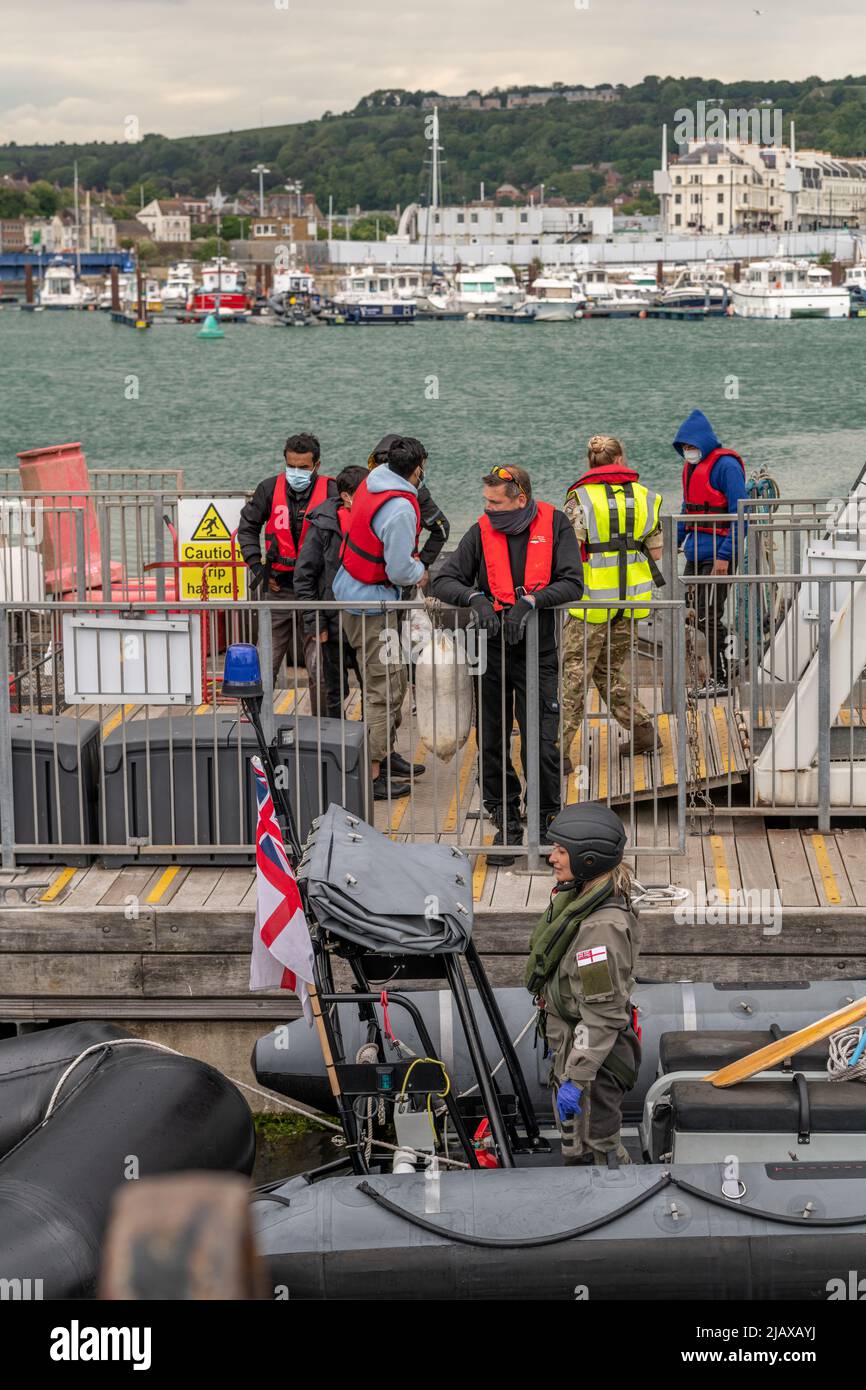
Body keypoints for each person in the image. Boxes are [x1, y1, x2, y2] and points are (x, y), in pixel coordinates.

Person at [431, 465, 583, 863]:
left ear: (520, 498)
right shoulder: (481, 531)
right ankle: (507, 825)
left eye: (495, 502)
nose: (489, 509)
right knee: (493, 742)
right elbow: (444, 580)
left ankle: (547, 825)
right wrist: (475, 599)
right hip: (492, 651)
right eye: (486, 502)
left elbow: (572, 581)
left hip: (539, 651)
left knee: (542, 741)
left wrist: (532, 602)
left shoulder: (556, 524)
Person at [525, 802, 641, 1167]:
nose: (552, 858)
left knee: (596, 1149)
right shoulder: (580, 902)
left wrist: (576, 1077)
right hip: (575, 1051)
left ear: (587, 859)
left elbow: (603, 1014)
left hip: (593, 1067)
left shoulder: (599, 932)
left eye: (561, 851)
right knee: (577, 1148)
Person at [332, 436, 428, 800]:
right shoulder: (401, 510)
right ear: (418, 468)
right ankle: (369, 775)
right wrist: (420, 572)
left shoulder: (373, 481)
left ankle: (384, 757)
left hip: (351, 593)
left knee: (389, 684)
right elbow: (400, 568)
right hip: (373, 607)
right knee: (383, 691)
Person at [561, 435, 664, 770]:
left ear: (591, 462)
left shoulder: (580, 499)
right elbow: (658, 551)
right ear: (620, 459)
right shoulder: (647, 497)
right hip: (631, 602)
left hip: (590, 604)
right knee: (607, 669)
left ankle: (556, 750)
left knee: (573, 675)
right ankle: (643, 729)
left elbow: (569, 553)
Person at [238, 432, 336, 685]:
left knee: (321, 668)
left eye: (303, 467)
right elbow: (248, 527)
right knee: (263, 664)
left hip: (317, 591)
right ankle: (259, 720)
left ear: (317, 466)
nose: (296, 472)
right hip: (279, 587)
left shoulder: (332, 491)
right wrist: (258, 567)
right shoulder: (268, 488)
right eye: (291, 466)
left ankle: (324, 722)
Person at [675, 410, 748, 696]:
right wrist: (675, 541)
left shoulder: (726, 466)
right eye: (683, 447)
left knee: (707, 615)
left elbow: (740, 513)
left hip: (719, 556)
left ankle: (721, 678)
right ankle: (731, 657)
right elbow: (687, 509)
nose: (687, 451)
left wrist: (726, 555)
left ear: (703, 442)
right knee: (690, 612)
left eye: (690, 446)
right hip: (694, 554)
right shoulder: (691, 468)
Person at [293, 464, 367, 718]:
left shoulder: (373, 520)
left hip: (366, 622)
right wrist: (316, 624)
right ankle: (337, 747)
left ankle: (374, 750)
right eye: (365, 493)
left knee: (375, 690)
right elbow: (304, 576)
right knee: (333, 691)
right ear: (347, 496)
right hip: (331, 627)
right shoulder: (323, 526)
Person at [367, 434, 450, 576]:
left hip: (381, 573)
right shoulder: (370, 486)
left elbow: (441, 528)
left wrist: (423, 564)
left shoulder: (366, 486)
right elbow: (442, 529)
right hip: (385, 576)